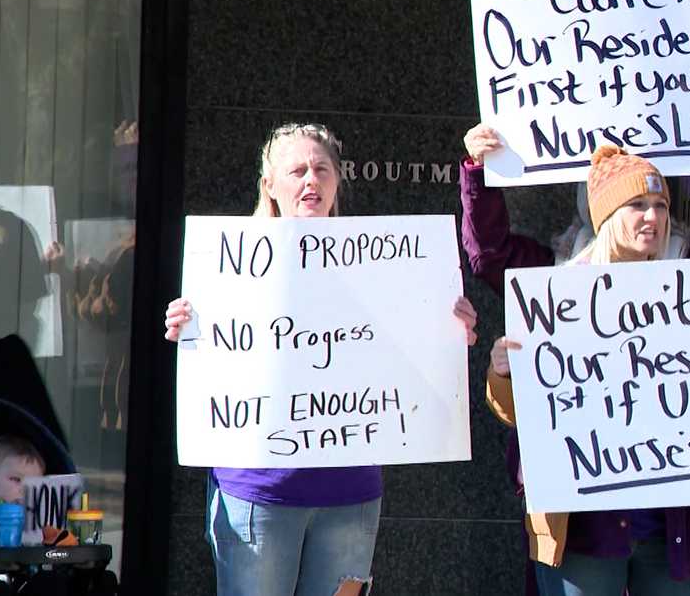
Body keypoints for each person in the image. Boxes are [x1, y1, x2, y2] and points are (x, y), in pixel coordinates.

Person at [480, 139, 690, 596]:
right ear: (605, 216)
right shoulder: (557, 294)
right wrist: (502, 371)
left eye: (660, 205)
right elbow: (489, 254)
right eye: (637, 205)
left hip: (676, 529)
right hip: (585, 532)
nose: (652, 217)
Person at [163, 123, 478, 596]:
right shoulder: (228, 271)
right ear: (270, 185)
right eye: (297, 171)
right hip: (259, 493)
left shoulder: (381, 268)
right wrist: (189, 327)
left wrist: (449, 331)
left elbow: (408, 351)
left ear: (336, 182)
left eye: (321, 169)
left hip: (350, 497)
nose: (311, 180)